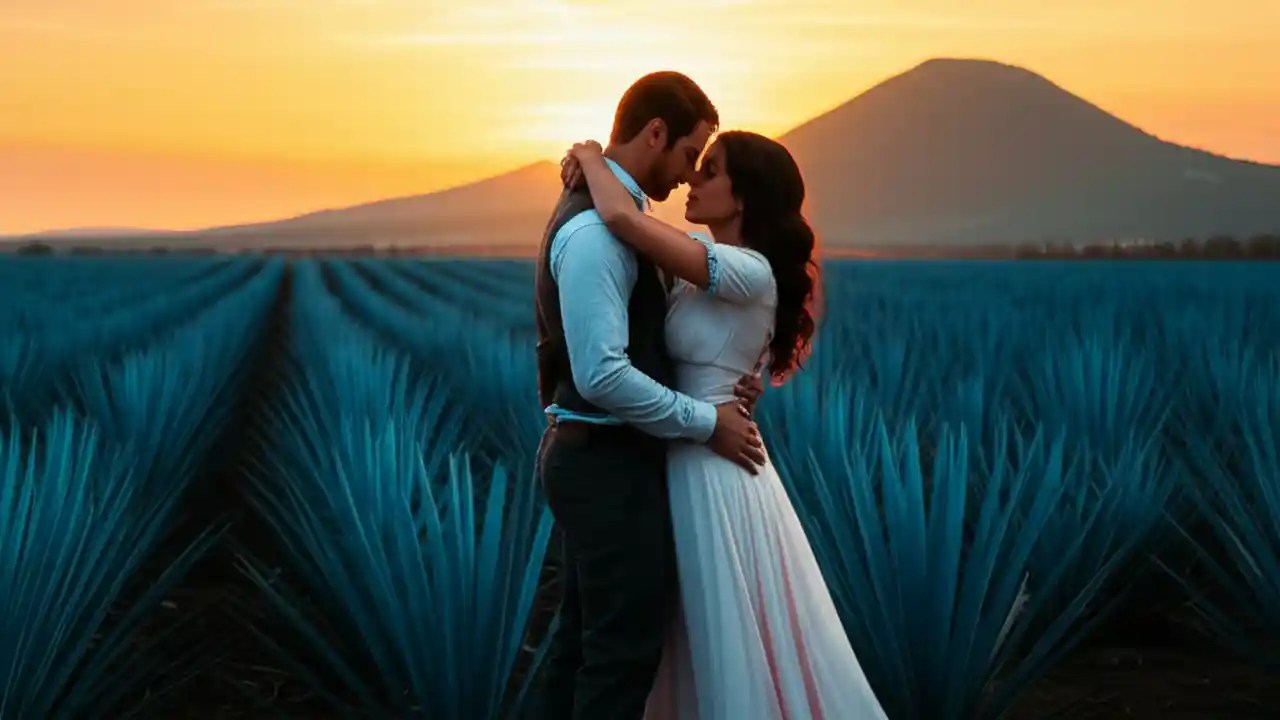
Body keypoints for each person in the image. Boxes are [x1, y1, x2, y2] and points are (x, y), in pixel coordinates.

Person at [559, 131, 889, 719]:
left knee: (721, 639)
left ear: (743, 196)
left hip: (715, 470)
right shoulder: (701, 267)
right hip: (690, 451)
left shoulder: (750, 272)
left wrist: (590, 155)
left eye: (709, 171)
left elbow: (621, 218)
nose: (692, 180)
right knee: (691, 640)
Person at [533, 71, 767, 720]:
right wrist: (705, 421)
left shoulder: (622, 220)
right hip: (605, 462)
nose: (691, 175)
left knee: (583, 647)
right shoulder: (596, 233)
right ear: (656, 132)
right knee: (619, 656)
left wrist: (721, 378)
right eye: (689, 155)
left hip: (608, 458)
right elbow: (603, 375)